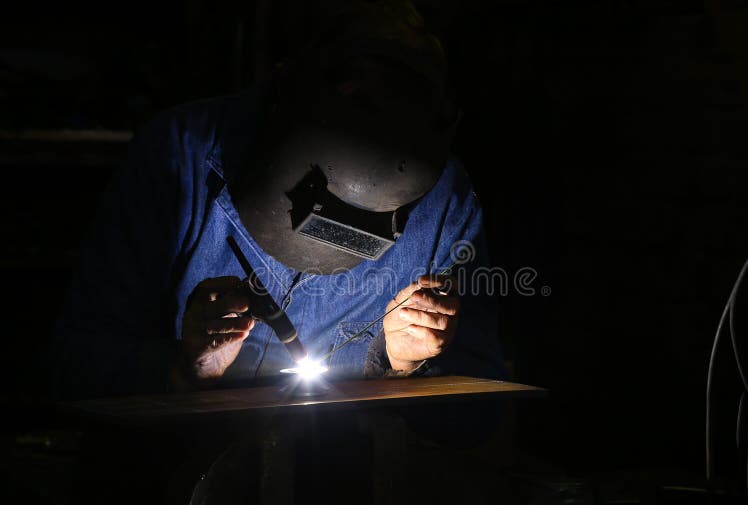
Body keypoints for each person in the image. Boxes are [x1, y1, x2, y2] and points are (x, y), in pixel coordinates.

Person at [50, 0, 505, 401]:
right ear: (283, 94)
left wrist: (403, 367)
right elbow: (75, 366)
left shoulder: (444, 203)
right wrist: (183, 370)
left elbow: (479, 413)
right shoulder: (179, 156)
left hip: (330, 482)